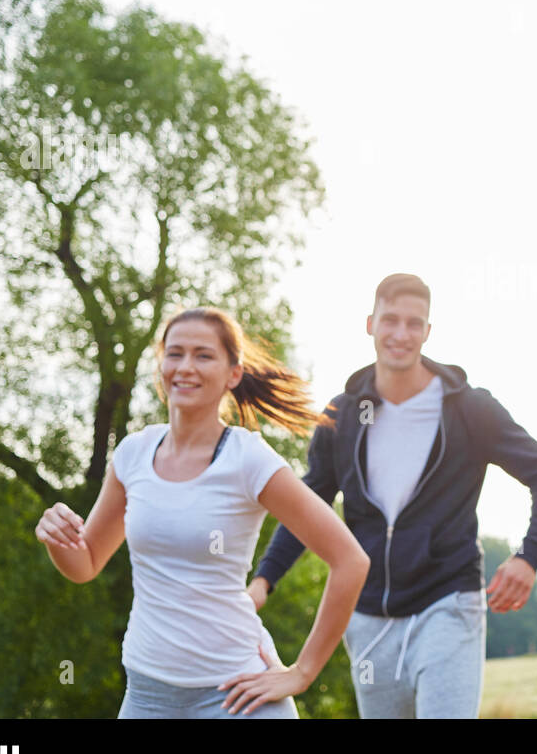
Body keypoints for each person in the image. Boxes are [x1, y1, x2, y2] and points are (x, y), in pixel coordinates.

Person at [248, 273, 537, 718]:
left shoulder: (468, 408)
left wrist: (529, 555)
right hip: (367, 615)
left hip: (448, 601)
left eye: (414, 323)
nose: (401, 334)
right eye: (390, 320)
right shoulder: (343, 416)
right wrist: (263, 581)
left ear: (428, 332)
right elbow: (308, 507)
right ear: (370, 324)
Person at [33, 306, 369, 718]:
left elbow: (350, 560)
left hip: (236, 697)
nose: (185, 367)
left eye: (203, 355)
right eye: (175, 354)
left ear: (233, 373)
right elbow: (85, 563)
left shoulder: (248, 459)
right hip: (147, 698)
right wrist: (57, 537)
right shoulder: (133, 454)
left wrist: (302, 672)